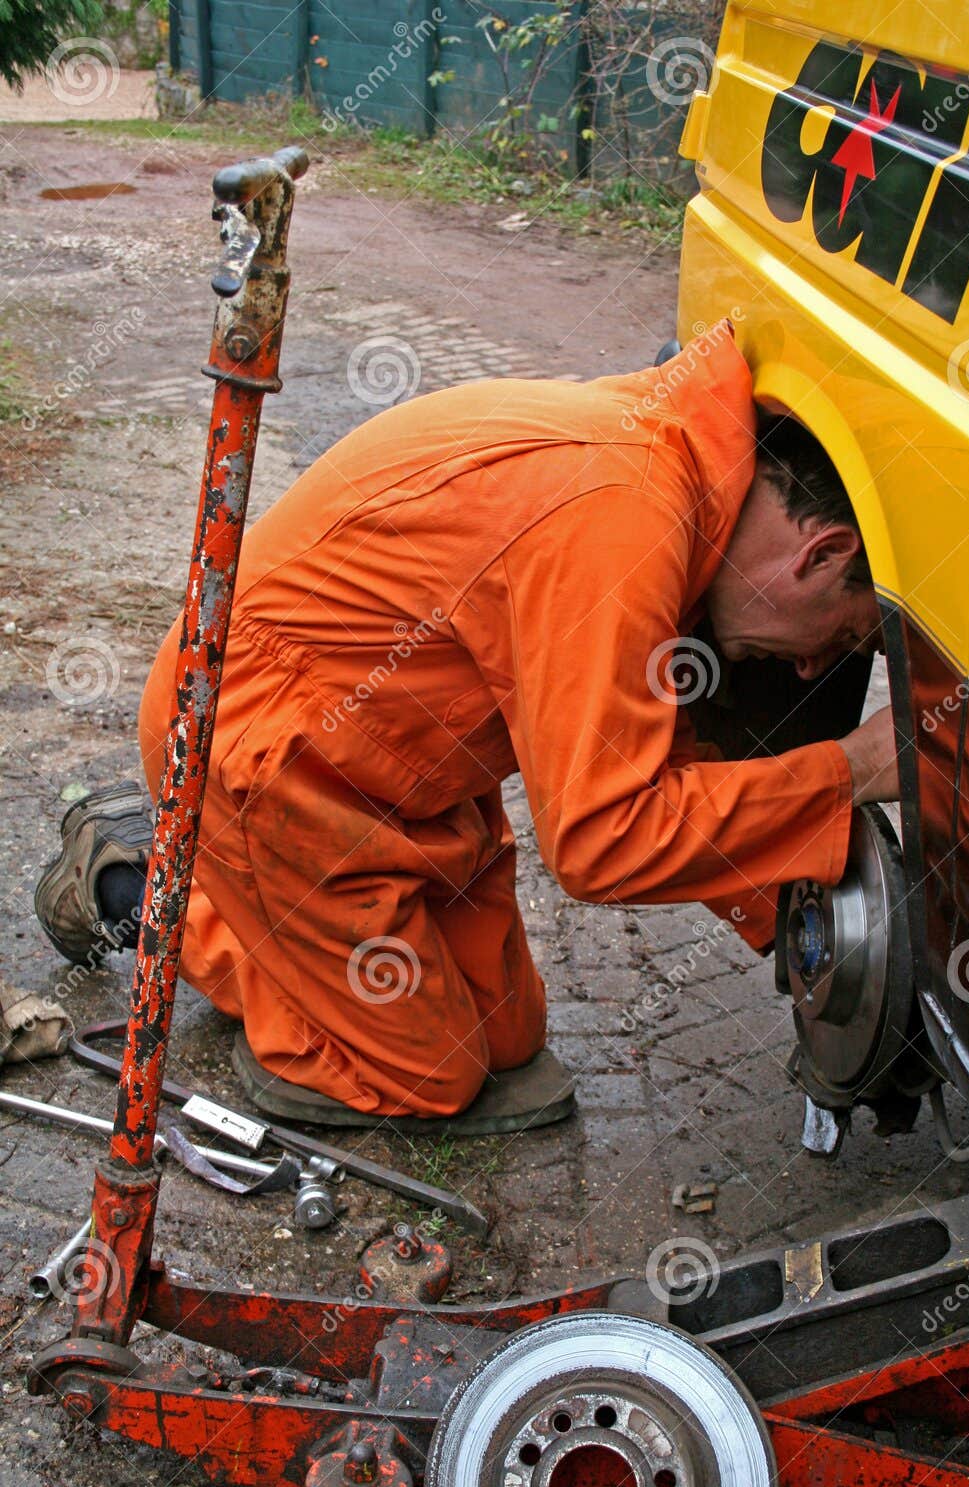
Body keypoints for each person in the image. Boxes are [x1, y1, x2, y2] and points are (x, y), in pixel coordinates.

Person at [35, 328, 897, 1136]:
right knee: (426, 1073)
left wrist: (787, 913)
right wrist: (853, 770)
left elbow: (651, 760)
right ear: (819, 554)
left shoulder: (677, 477)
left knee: (506, 1038)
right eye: (845, 633)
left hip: (394, 769)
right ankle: (146, 884)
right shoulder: (619, 517)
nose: (815, 667)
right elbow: (602, 837)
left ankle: (256, 903)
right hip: (263, 755)